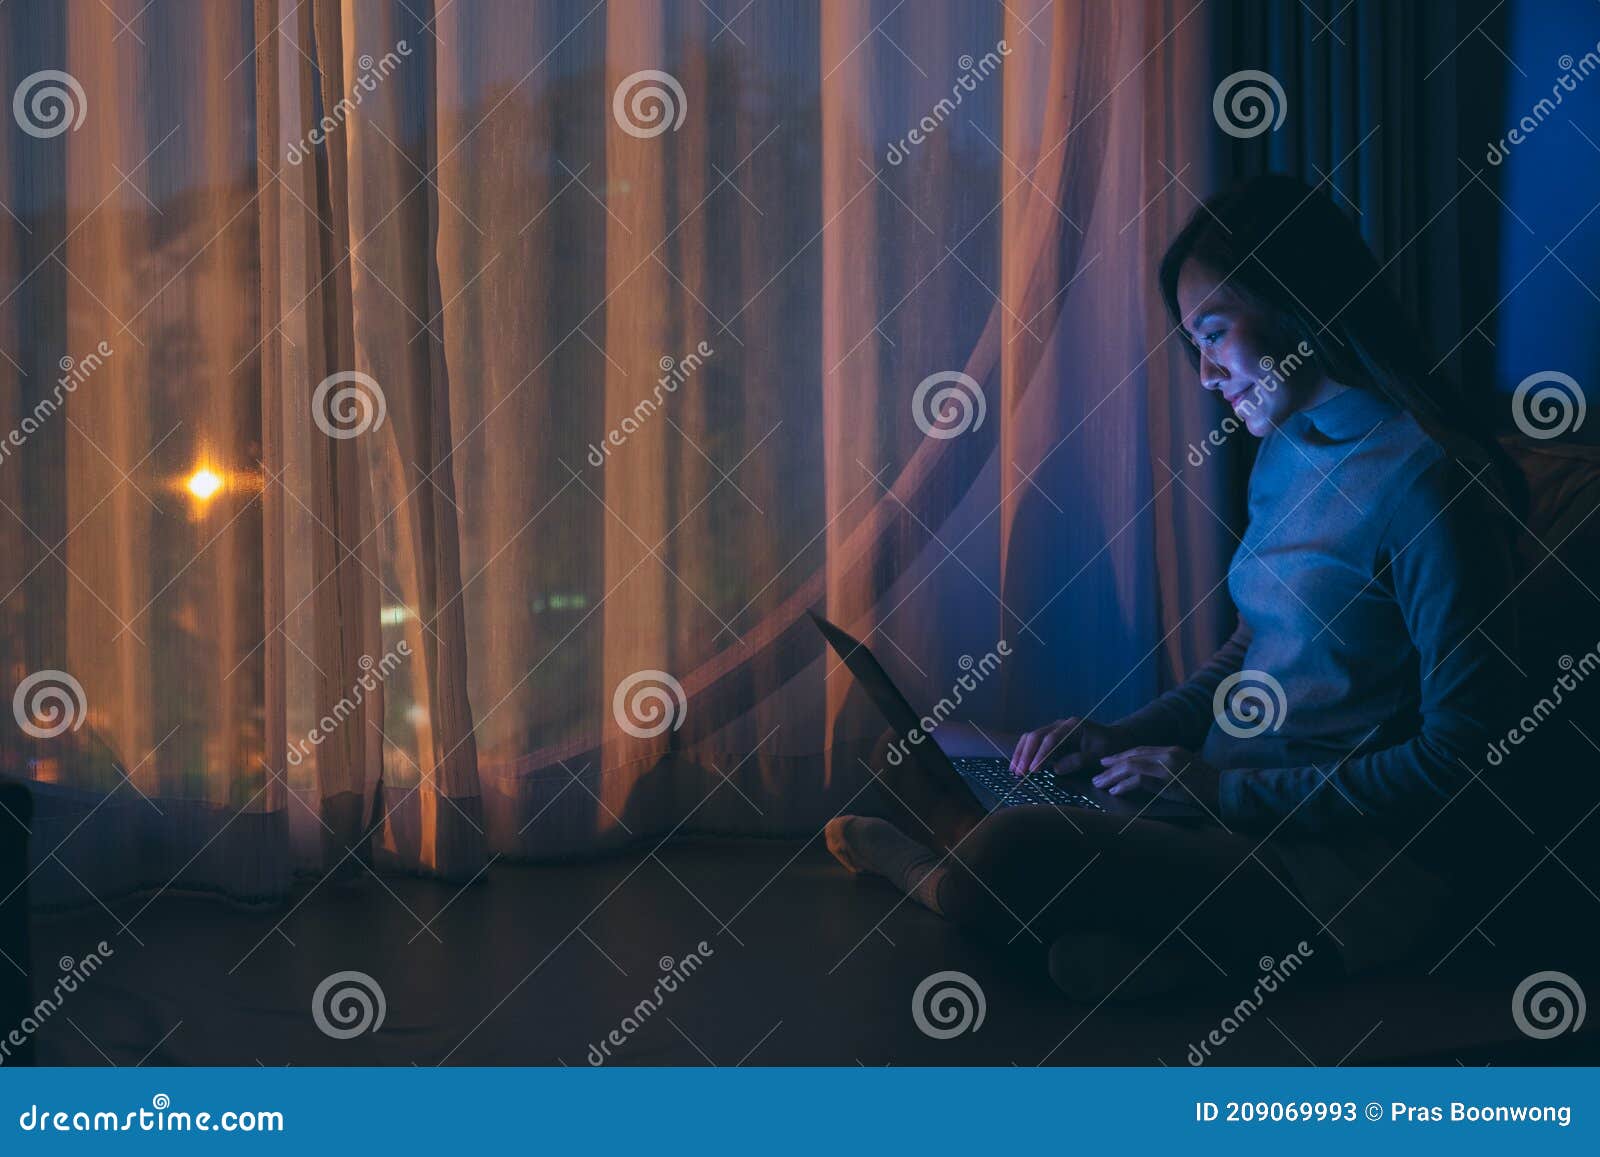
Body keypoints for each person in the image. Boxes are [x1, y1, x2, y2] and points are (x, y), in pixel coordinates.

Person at [823, 174, 1525, 1000]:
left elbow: (1461, 756)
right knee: (914, 749)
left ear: (1295, 304)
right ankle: (1121, 938)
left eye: (1216, 334)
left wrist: (1227, 791)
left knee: (1012, 852)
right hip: (1214, 807)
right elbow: (1250, 649)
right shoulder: (1288, 445)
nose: (1205, 374)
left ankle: (935, 874)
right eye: (1195, 343)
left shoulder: (1426, 482)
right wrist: (1119, 736)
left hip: (1339, 864)